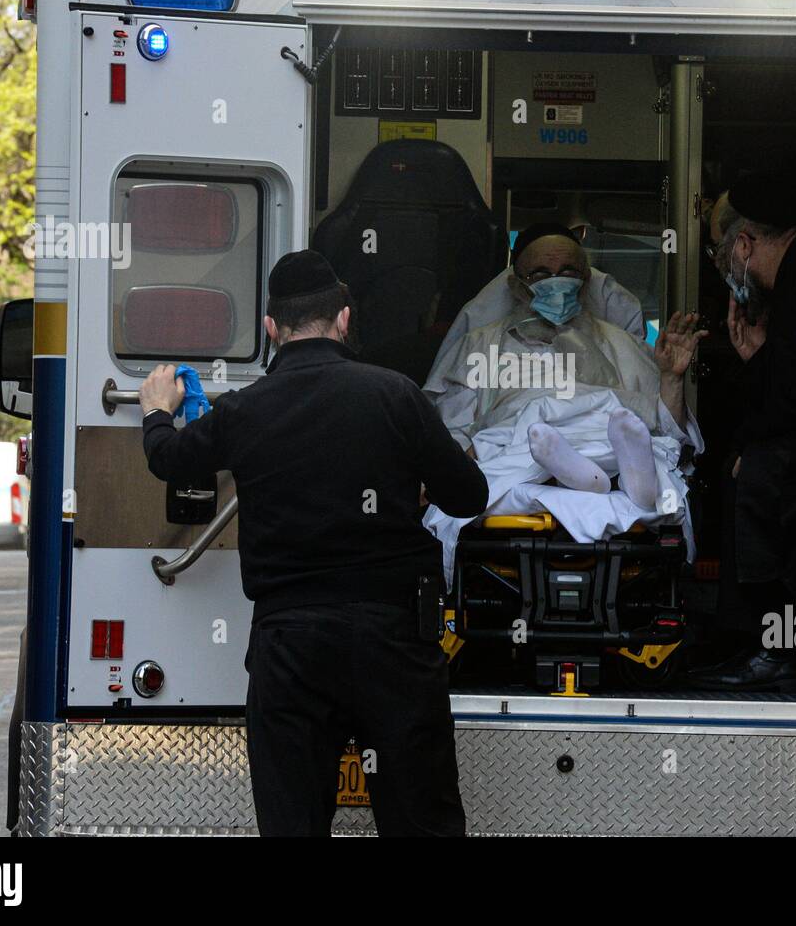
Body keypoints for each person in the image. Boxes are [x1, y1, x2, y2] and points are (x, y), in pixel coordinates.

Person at [138, 250, 489, 836]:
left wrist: (155, 412)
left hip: (290, 649)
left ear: (272, 329)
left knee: (293, 823)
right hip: (394, 644)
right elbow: (470, 496)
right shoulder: (396, 396)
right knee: (422, 820)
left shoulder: (245, 410)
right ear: (345, 319)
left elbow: (170, 460)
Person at [420, 224, 706, 572]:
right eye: (541, 273)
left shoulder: (621, 344)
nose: (556, 281)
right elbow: (454, 430)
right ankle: (621, 485)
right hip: (520, 444)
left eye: (568, 272)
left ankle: (617, 478)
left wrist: (671, 378)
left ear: (586, 281)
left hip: (605, 436)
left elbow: (670, 435)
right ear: (516, 284)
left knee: (641, 444)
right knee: (502, 453)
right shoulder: (481, 345)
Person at [693, 164, 796, 690]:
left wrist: (751, 443)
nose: (722, 267)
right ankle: (751, 637)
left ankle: (779, 646)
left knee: (752, 473)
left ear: (745, 245)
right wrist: (756, 360)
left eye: (720, 253)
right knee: (737, 462)